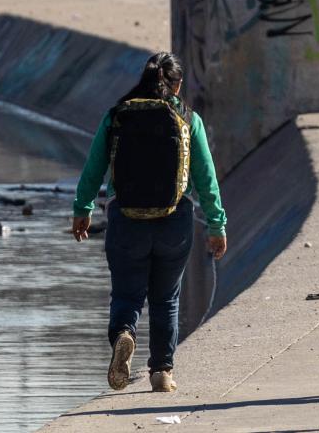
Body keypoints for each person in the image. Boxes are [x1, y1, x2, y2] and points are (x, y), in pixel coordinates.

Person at [71, 52, 228, 395]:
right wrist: (217, 225)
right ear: (178, 84)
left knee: (127, 294)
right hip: (175, 222)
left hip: (126, 221)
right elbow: (206, 178)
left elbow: (93, 167)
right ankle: (161, 372)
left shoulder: (117, 116)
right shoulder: (188, 119)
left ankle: (125, 334)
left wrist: (82, 209)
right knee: (165, 298)